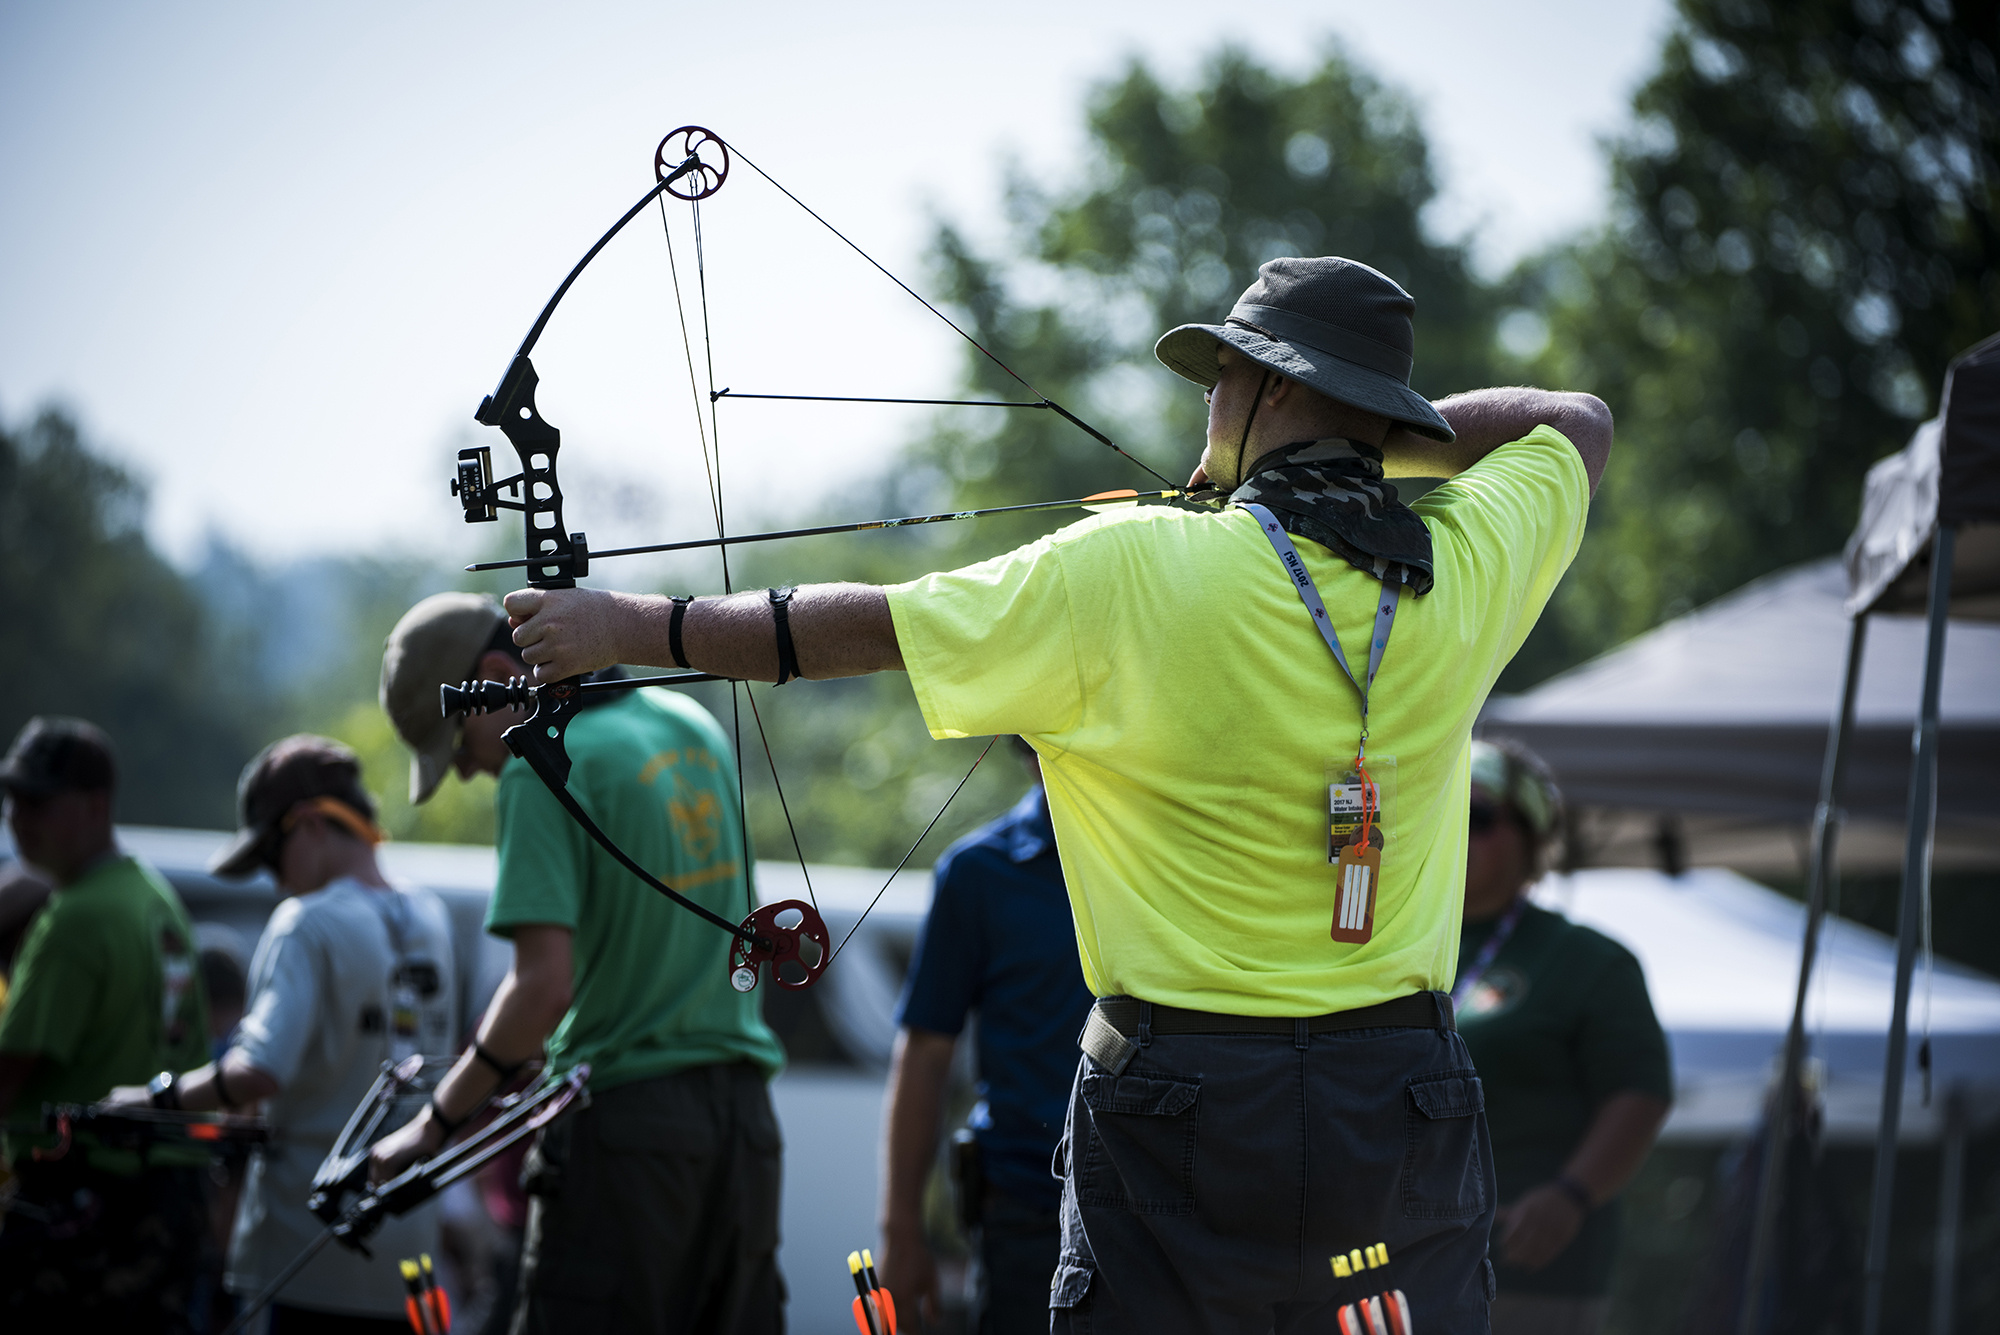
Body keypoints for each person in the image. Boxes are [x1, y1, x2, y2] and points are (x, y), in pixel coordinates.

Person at [502, 256, 1614, 1332]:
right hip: (1400, 1095)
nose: (1207, 399)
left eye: (1222, 375)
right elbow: (1574, 422)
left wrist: (627, 625)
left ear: (1272, 386)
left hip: (1187, 1100)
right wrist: (1380, 443)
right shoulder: (1465, 556)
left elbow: (858, 627)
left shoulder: (1130, 565)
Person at [368, 592, 787, 1335]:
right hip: (745, 1129)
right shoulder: (690, 725)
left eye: (458, 745)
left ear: (498, 673)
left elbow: (541, 989)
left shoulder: (541, 770)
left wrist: (431, 1126)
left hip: (626, 1136)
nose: (467, 772)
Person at [107, 734, 460, 1332]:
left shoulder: (306, 923)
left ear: (308, 824)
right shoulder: (430, 915)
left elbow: (257, 1070)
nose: (274, 881)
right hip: (406, 1249)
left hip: (308, 1250)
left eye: (272, 854)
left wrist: (146, 1101)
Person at [0, 716, 212, 1331]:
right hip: (167, 1205)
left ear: (95, 805)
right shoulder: (151, 895)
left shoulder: (77, 917)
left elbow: (7, 1078)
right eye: (11, 797)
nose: (17, 815)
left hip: (82, 1211)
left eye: (37, 800)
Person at [1453, 740, 1671, 1335]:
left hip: (1526, 1269)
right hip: (1397, 1262)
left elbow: (1641, 1094)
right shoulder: (1392, 949)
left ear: (1531, 840)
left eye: (1477, 816)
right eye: (1440, 811)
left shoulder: (1587, 960)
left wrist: (1571, 1195)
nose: (1454, 830)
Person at [880, 738, 1095, 1334]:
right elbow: (925, 1053)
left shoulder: (1168, 856)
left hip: (1154, 1211)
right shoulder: (977, 874)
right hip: (1025, 1213)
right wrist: (902, 1234)